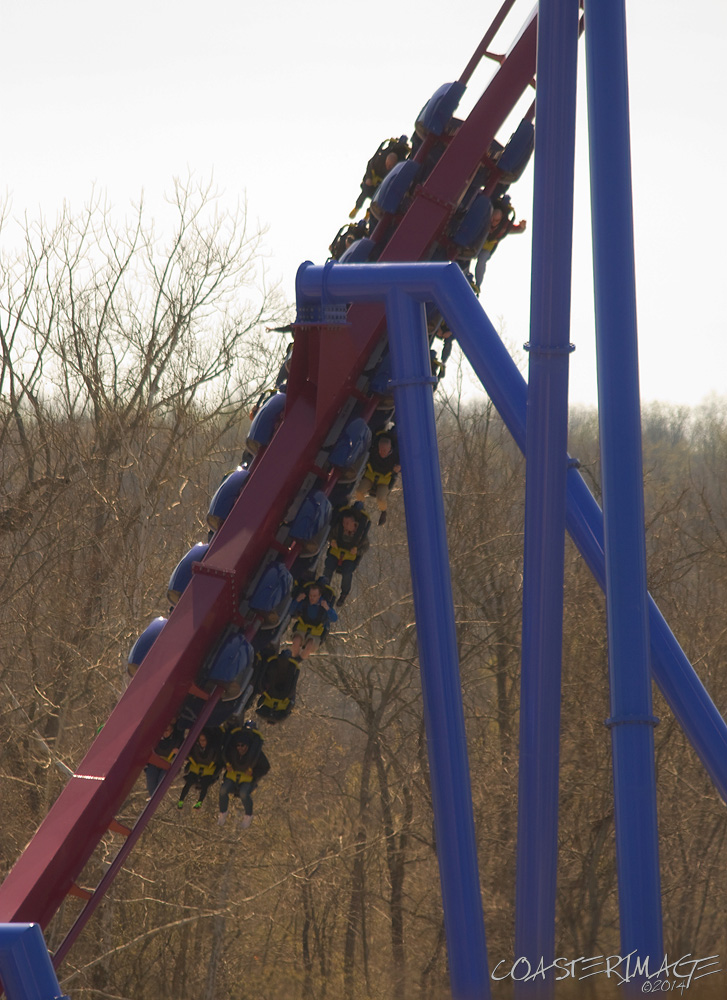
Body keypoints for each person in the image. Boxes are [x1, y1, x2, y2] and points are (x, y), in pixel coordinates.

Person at [218, 722, 268, 829]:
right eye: (238, 746)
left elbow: (265, 767)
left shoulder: (256, 755)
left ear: (248, 746)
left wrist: (253, 773)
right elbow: (222, 758)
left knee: (244, 793)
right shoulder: (232, 752)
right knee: (223, 790)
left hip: (247, 779)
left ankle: (248, 815)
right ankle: (223, 813)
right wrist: (227, 766)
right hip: (232, 776)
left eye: (243, 746)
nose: (240, 748)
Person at [349, 136, 411, 218]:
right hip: (373, 180)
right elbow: (370, 164)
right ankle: (357, 207)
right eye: (388, 165)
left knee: (379, 198)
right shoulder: (380, 159)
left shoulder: (398, 165)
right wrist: (369, 178)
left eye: (391, 166)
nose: (389, 167)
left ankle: (369, 213)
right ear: (386, 161)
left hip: (383, 184)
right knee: (366, 190)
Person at [473, 196, 527, 290]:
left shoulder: (504, 225)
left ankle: (477, 285)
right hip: (476, 242)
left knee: (482, 260)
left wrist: (522, 227)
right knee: (467, 254)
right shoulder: (485, 217)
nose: (493, 223)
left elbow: (517, 229)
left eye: (496, 221)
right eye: (492, 219)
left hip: (488, 247)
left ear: (501, 219)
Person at [323, 503, 371, 606]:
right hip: (336, 552)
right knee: (328, 566)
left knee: (347, 572)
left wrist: (357, 551)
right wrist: (332, 540)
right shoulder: (339, 528)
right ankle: (325, 587)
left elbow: (366, 547)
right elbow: (330, 534)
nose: (345, 525)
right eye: (344, 522)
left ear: (354, 523)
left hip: (350, 556)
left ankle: (344, 593)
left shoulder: (360, 534)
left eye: (347, 523)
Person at [355, 428, 401, 526]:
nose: (382, 452)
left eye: (384, 450)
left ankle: (383, 511)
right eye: (380, 450)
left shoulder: (396, 456)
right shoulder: (374, 450)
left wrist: (398, 468)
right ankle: (360, 506)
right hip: (370, 475)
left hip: (384, 480)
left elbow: (401, 466)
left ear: (390, 448)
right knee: (359, 491)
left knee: (381, 498)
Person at [289, 582, 338, 659]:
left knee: (309, 646)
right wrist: (297, 600)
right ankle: (294, 659)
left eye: (314, 596)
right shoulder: (304, 602)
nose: (312, 598)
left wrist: (327, 608)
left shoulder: (324, 605)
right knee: (296, 642)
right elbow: (290, 612)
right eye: (310, 595)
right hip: (302, 627)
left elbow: (334, 618)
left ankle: (299, 660)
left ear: (319, 595)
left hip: (316, 632)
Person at [177, 729, 222, 810]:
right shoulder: (195, 747)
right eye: (200, 740)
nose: (202, 742)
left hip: (208, 770)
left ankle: (199, 802)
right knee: (188, 783)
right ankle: (181, 801)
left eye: (204, 740)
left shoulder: (213, 749)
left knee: (205, 784)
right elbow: (189, 755)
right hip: (195, 768)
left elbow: (218, 759)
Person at [255, 648, 301, 724]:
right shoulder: (290, 665)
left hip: (278, 692)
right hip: (275, 693)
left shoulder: (290, 665)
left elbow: (290, 705)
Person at [144, 720, 183, 798]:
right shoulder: (156, 738)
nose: (165, 733)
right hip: (155, 763)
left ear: (172, 730)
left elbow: (183, 754)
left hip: (167, 765)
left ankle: (156, 797)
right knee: (151, 783)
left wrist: (178, 752)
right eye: (163, 730)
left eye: (167, 730)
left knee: (161, 783)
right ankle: (152, 797)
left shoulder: (177, 740)